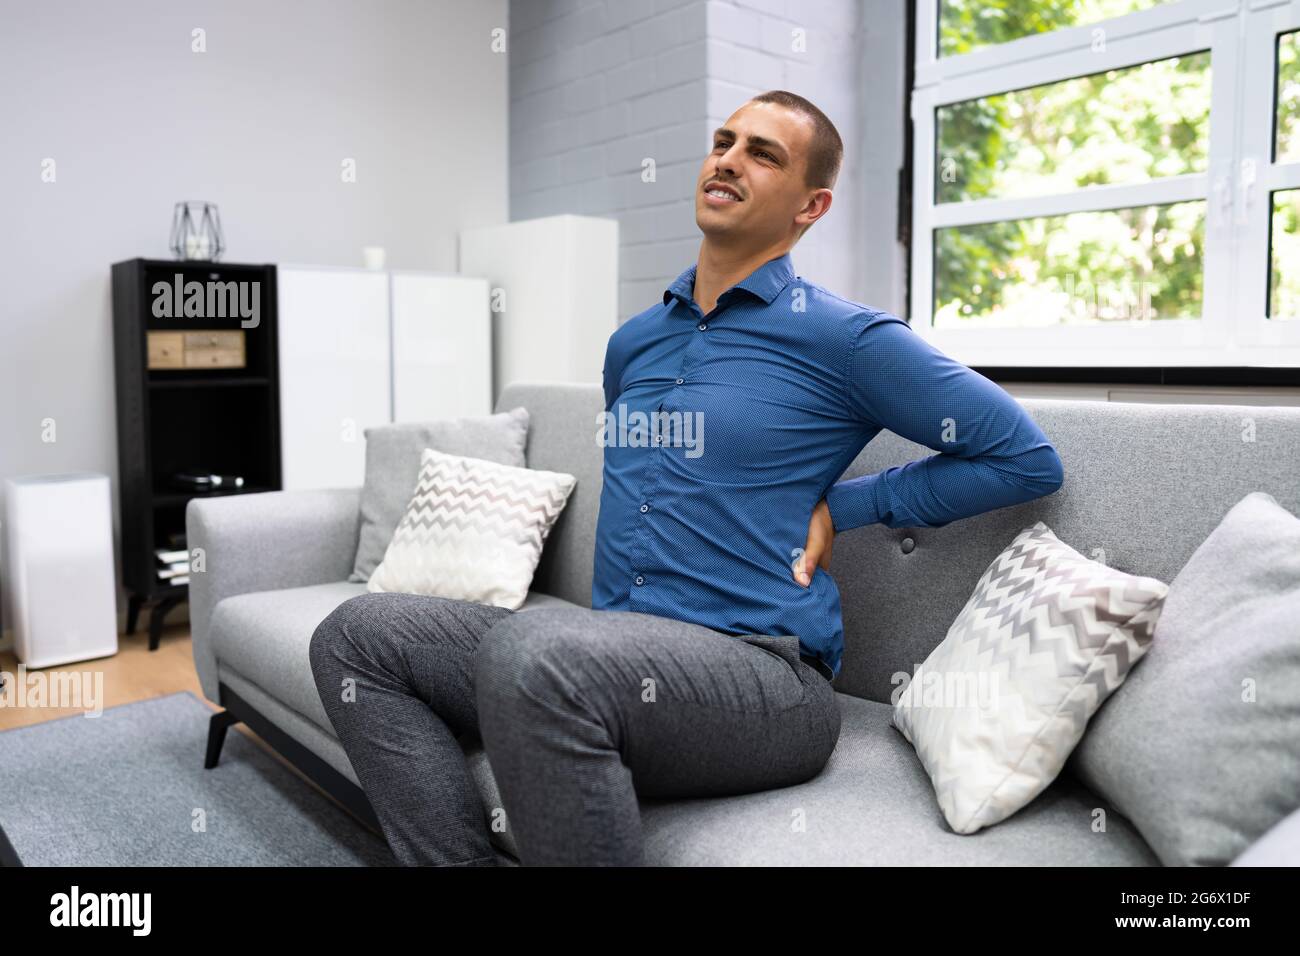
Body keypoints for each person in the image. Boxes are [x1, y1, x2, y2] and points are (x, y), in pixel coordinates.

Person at [309, 90, 1064, 866]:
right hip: (608, 654)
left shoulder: (847, 338)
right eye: (723, 142)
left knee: (538, 652)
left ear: (812, 205)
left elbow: (1024, 457)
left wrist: (848, 504)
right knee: (358, 638)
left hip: (764, 680)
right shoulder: (633, 343)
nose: (728, 159)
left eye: (762, 153)